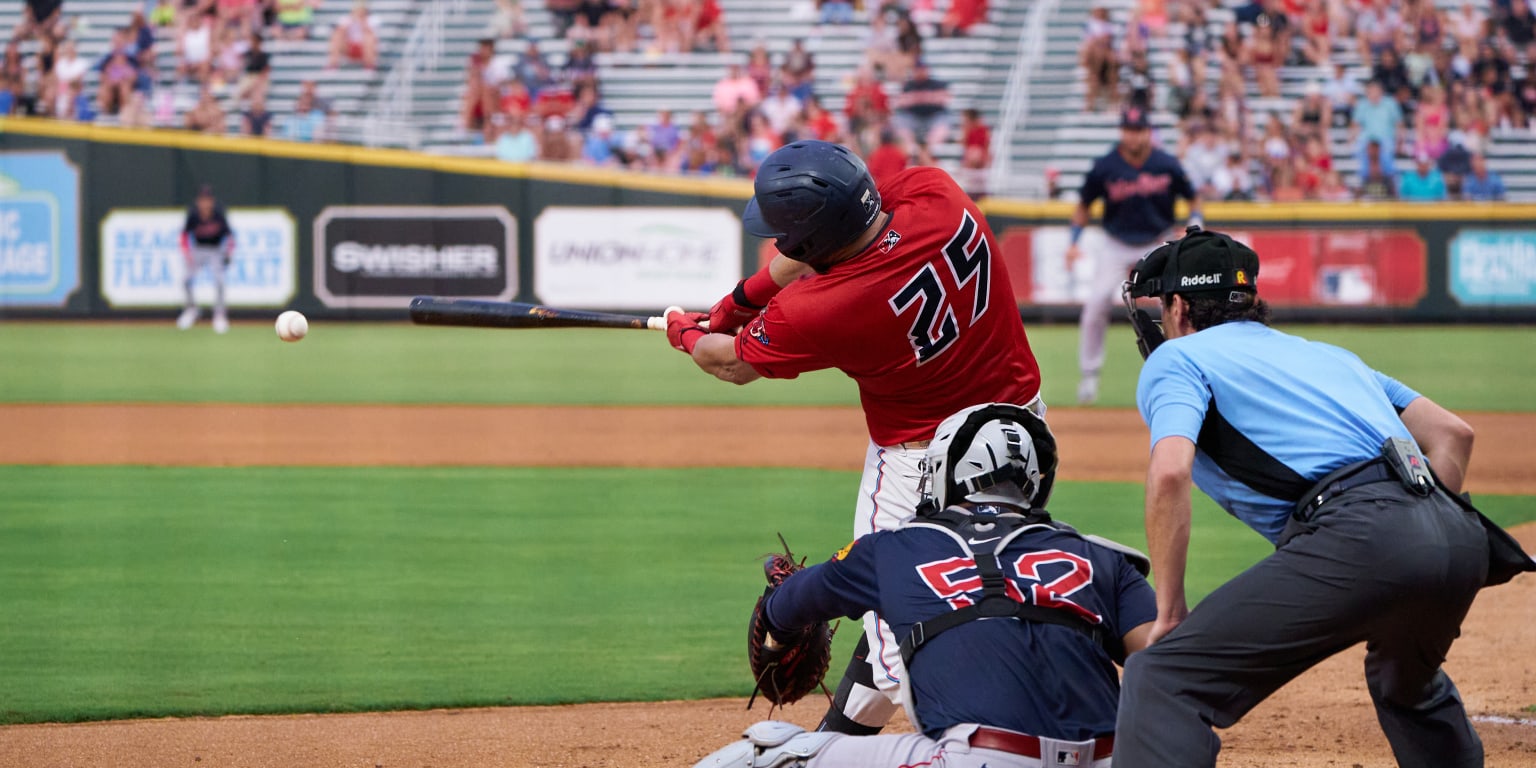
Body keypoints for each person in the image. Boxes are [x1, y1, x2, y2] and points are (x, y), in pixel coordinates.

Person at [1114, 227, 1534, 767]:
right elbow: (1454, 434)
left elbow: (1170, 472)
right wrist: (1419, 535)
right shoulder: (1331, 355)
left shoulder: (1177, 359)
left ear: (1176, 305)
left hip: (1361, 533)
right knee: (1408, 686)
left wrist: (1169, 611)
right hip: (1459, 532)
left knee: (1163, 677)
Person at [665, 140, 1044, 736]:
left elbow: (728, 363)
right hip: (1022, 435)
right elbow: (827, 245)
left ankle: (976, 743)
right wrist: (742, 300)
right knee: (980, 586)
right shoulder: (937, 195)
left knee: (900, 627)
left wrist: (685, 331)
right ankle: (838, 742)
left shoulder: (824, 308)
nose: (780, 242)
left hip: (923, 465)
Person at [692, 403, 1155, 768]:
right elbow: (1170, 667)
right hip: (1114, 760)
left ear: (942, 474)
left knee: (769, 755)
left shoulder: (892, 549)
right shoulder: (1103, 558)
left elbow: (784, 608)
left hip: (979, 759)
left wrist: (777, 628)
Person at [1066, 106, 1201, 405]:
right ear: (1122, 132)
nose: (1133, 135)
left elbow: (1193, 198)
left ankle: (1190, 370)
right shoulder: (1105, 166)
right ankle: (1089, 376)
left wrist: (1195, 227)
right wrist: (1073, 241)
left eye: (1138, 130)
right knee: (1096, 304)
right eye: (1128, 130)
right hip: (1116, 242)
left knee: (1179, 304)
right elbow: (1083, 206)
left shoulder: (1165, 163)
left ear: (1147, 132)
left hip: (1158, 239)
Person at [178, 185, 235, 334]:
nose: (205, 203)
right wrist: (186, 252)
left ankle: (220, 316)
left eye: (207, 200)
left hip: (215, 250)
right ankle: (191, 310)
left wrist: (228, 253)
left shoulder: (218, 213)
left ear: (212, 201)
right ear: (198, 202)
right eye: (202, 200)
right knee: (185, 280)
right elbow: (184, 235)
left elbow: (229, 236)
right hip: (198, 249)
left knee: (220, 281)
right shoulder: (193, 215)